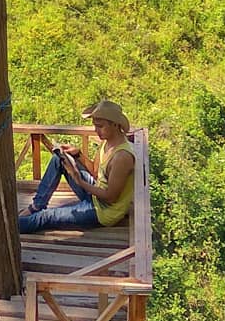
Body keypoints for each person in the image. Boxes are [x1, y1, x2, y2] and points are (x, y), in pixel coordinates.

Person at [18, 100, 136, 234]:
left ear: (115, 124)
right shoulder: (107, 142)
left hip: (103, 212)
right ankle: (36, 206)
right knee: (59, 159)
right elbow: (96, 171)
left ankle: (8, 228)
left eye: (100, 126)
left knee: (46, 216)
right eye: (95, 126)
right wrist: (78, 154)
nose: (96, 130)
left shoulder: (122, 157)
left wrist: (79, 180)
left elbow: (110, 197)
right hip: (95, 193)